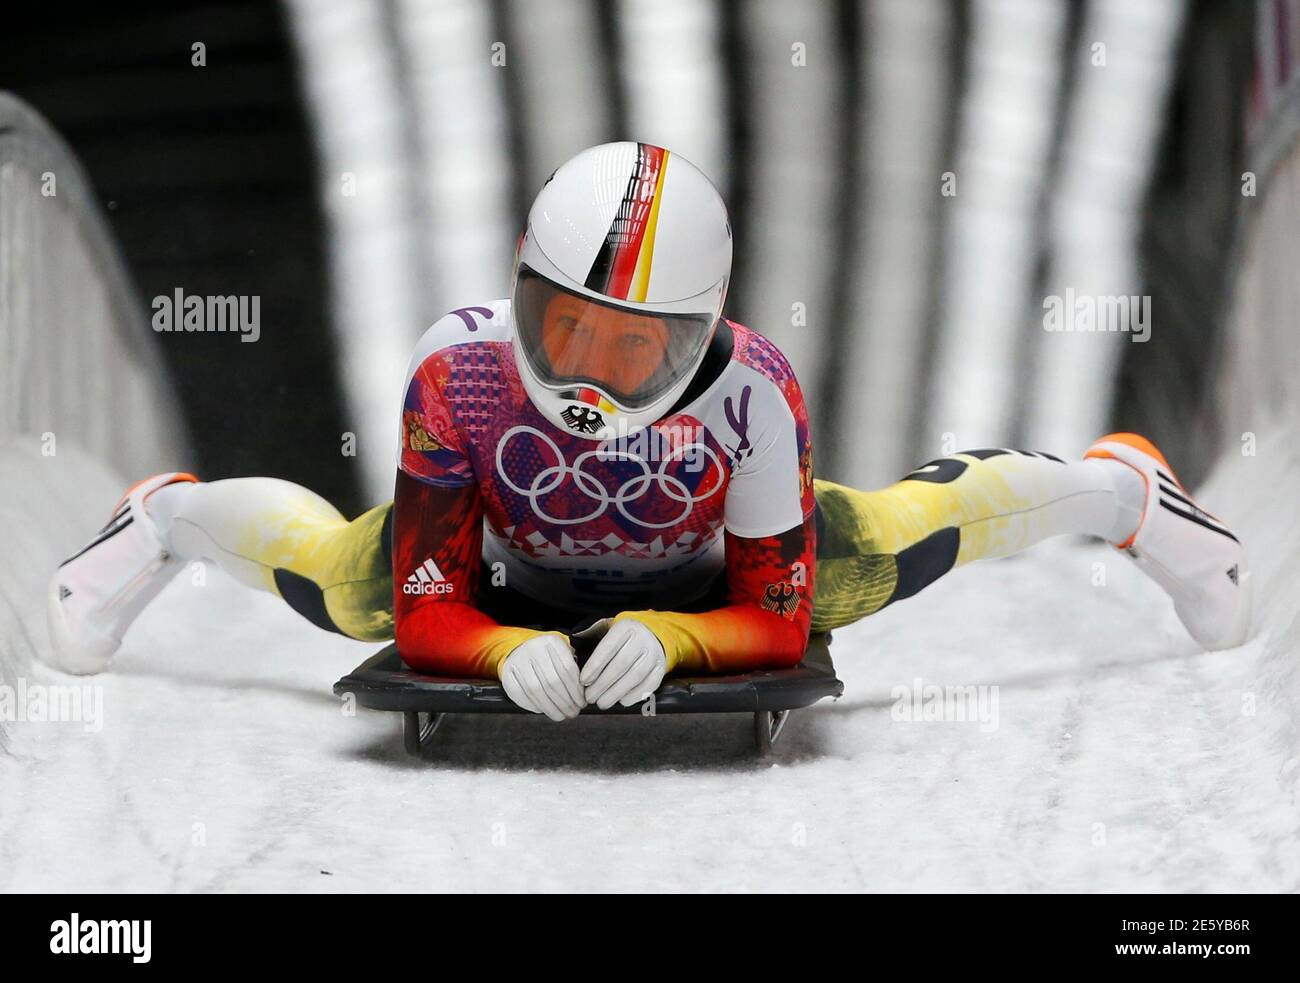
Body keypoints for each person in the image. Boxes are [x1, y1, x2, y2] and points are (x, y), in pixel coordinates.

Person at [44, 142, 1252, 721]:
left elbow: (778, 617)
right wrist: (477, 641)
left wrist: (676, 633)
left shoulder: (752, 393)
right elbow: (417, 601)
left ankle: (1123, 492)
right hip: (502, 556)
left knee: (884, 543)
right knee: (345, 581)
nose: (588, 389)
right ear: (517, 289)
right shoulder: (455, 371)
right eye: (561, 331)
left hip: (709, 565)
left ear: (704, 335)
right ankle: (159, 517)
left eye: (636, 350)